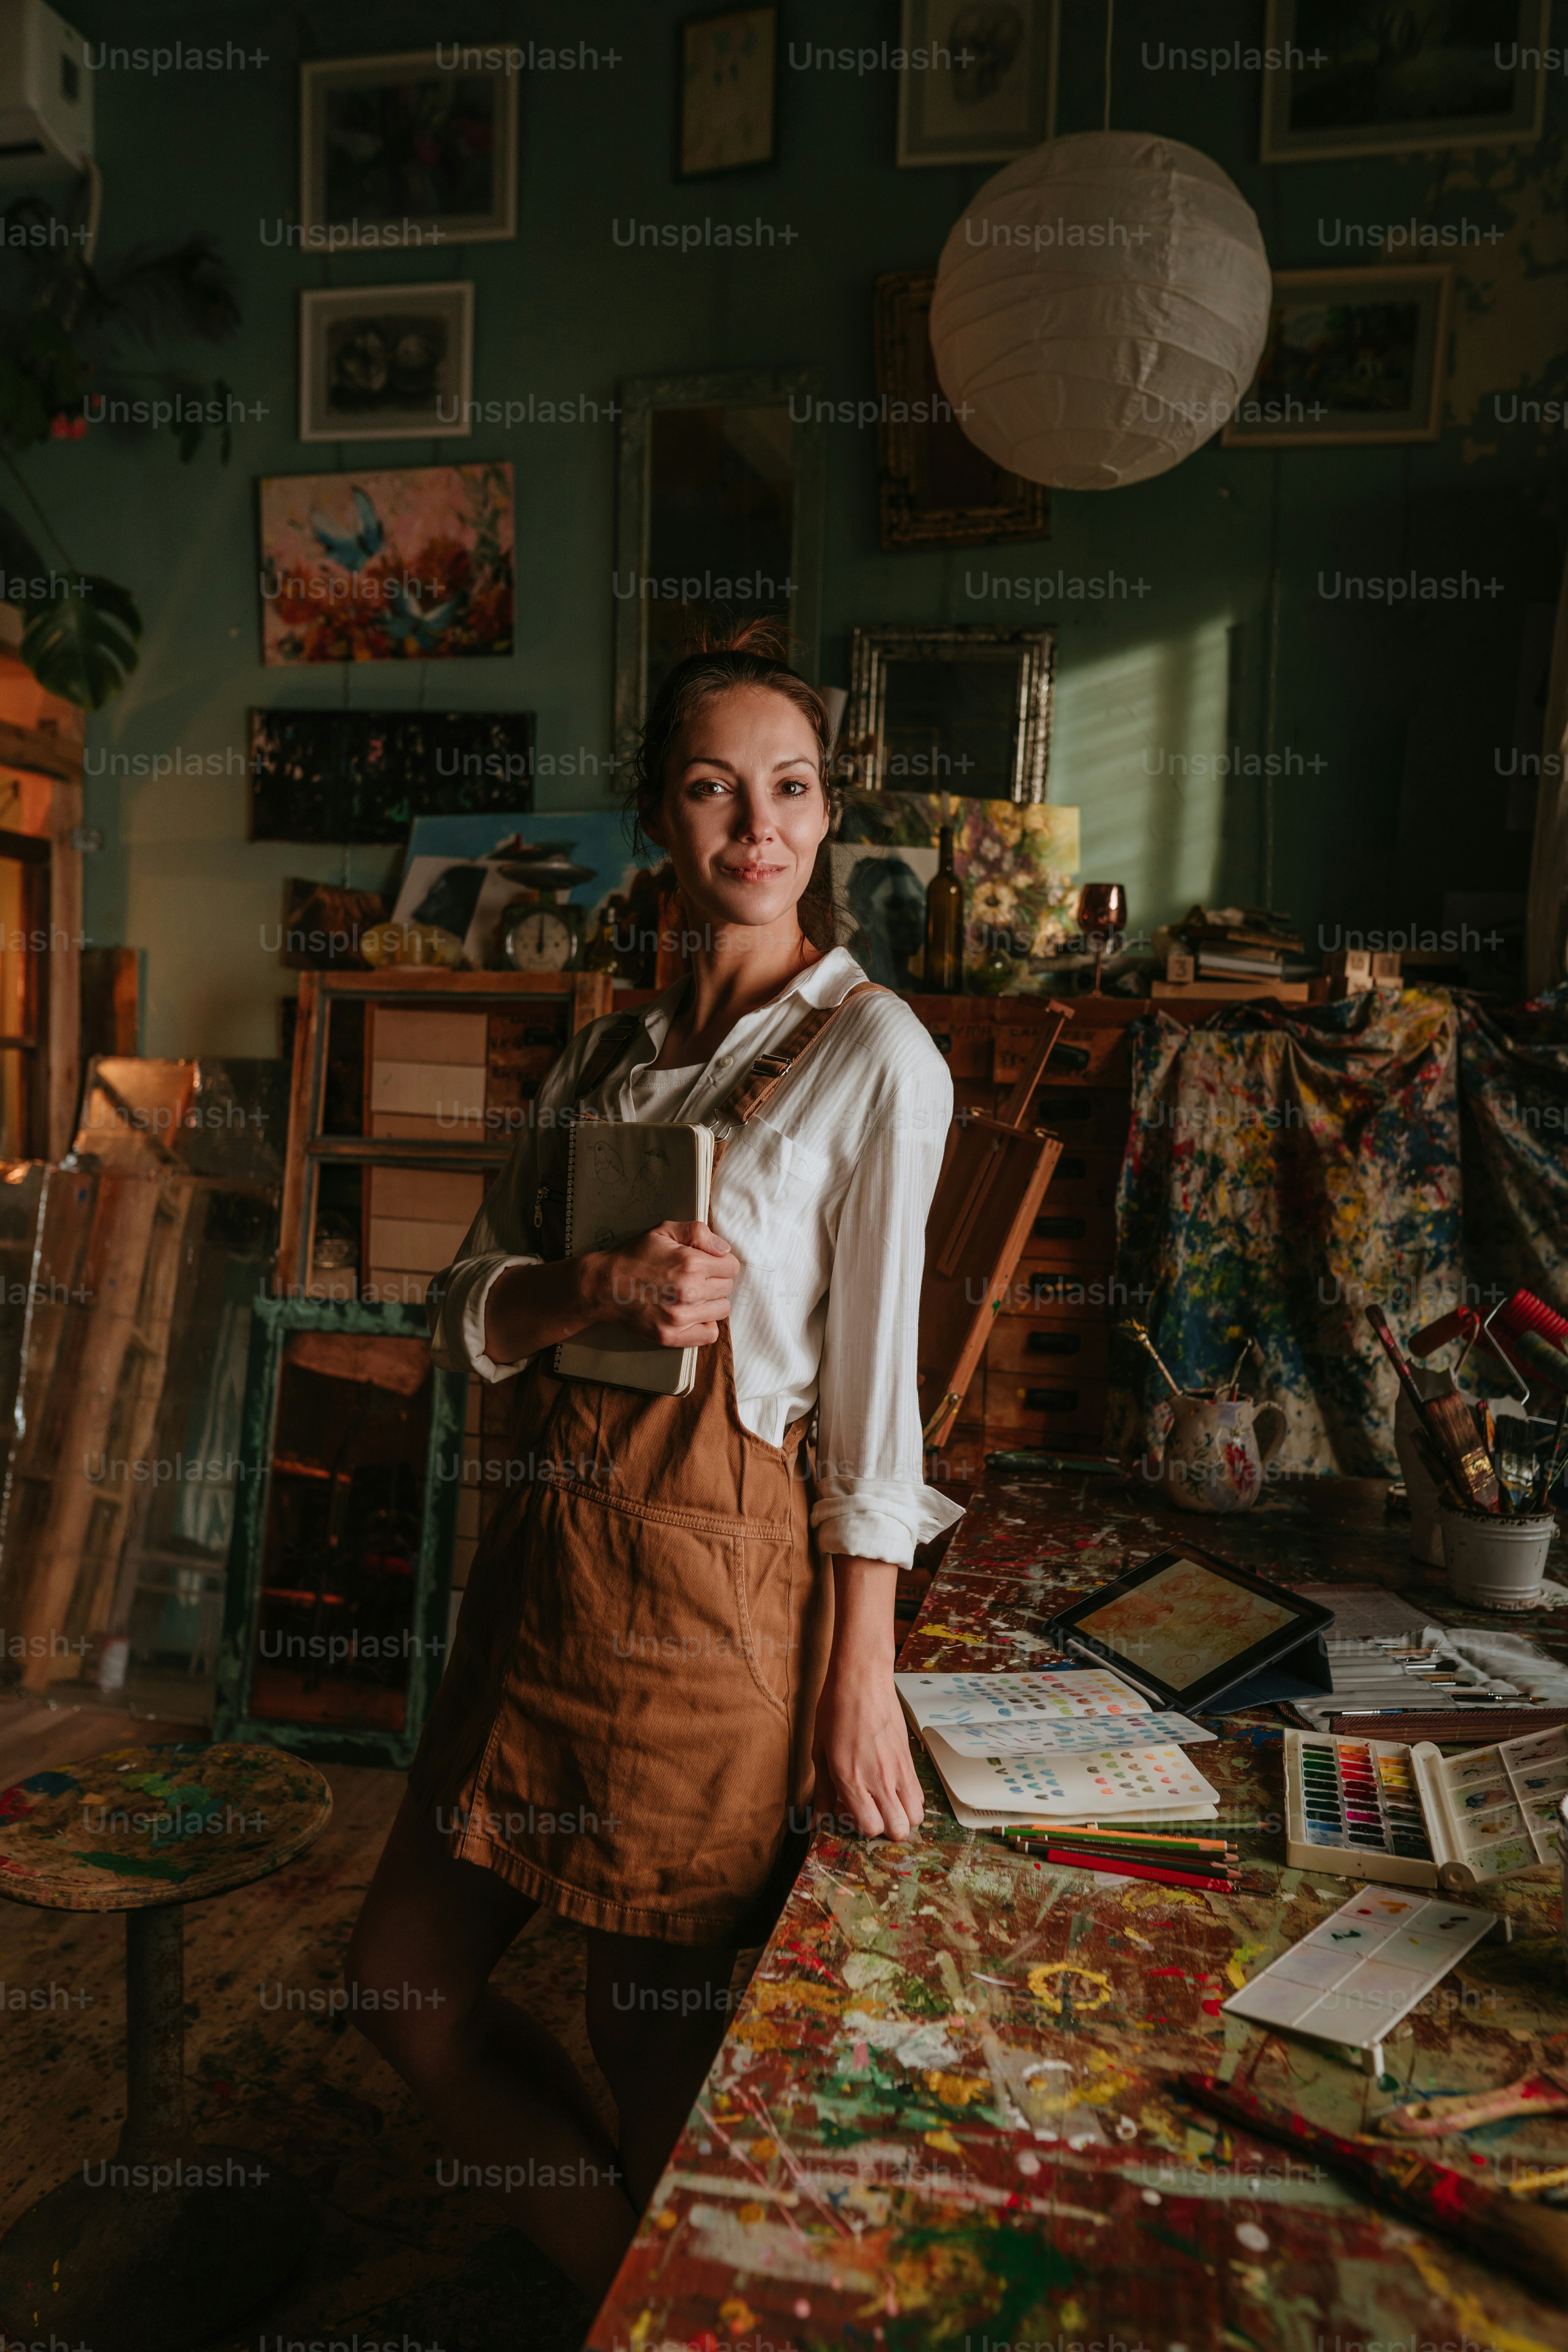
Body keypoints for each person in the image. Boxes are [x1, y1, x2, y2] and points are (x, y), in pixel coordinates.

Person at [345, 622, 961, 2302]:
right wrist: (591, 1287)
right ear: (661, 823)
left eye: (789, 788)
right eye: (711, 789)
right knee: (405, 1988)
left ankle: (669, 2313)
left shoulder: (875, 1057)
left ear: (829, 818)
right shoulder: (606, 1055)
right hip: (539, 1582)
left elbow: (878, 1401)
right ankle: (627, 2285)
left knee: (657, 2056)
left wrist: (859, 1674)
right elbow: (463, 1304)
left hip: (712, 1613)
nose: (755, 825)